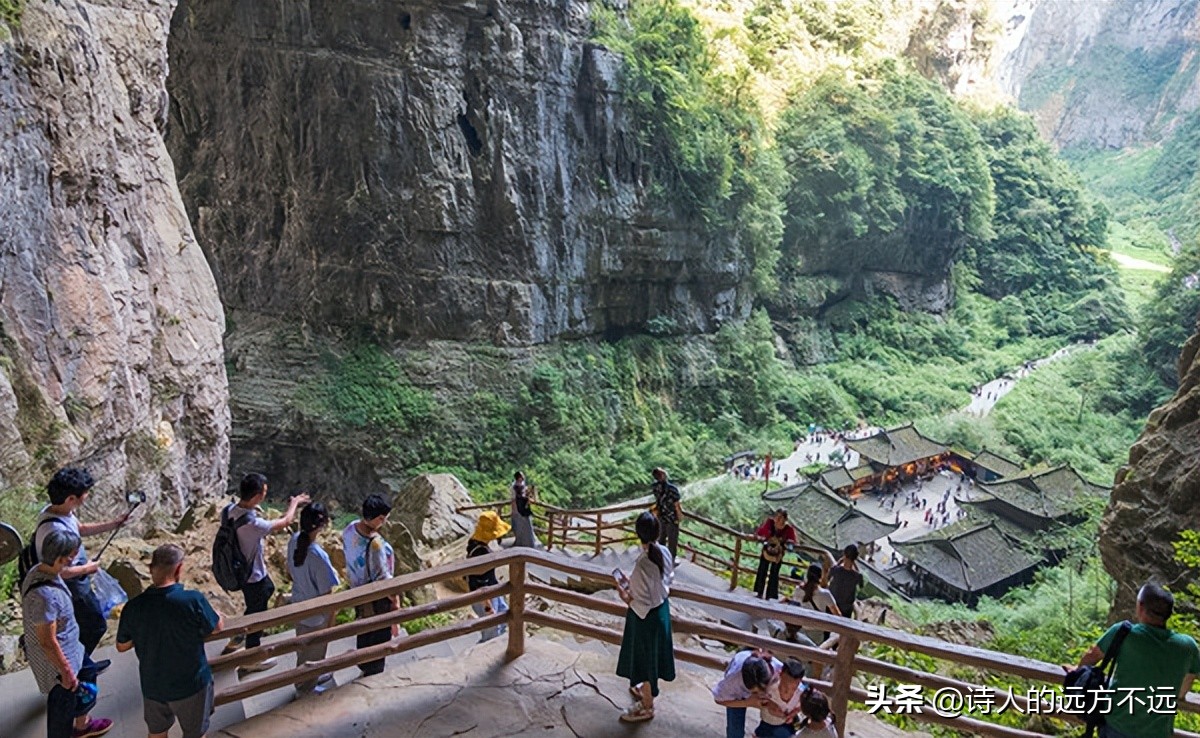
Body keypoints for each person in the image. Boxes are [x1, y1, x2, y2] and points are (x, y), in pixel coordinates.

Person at [1066, 583, 1200, 738]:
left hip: (1117, 726)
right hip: (1158, 732)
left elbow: (1091, 657)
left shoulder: (1125, 633)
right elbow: (1188, 681)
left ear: (1140, 607)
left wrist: (1078, 670)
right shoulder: (1187, 646)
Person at [116, 545, 223, 738]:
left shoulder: (133, 607)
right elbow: (216, 627)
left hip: (153, 685)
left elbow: (121, 646)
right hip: (191, 684)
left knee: (157, 733)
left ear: (150, 569)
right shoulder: (192, 600)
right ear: (179, 569)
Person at [34, 466, 133, 665]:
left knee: (80, 625)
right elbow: (59, 571)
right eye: (85, 493)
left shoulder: (57, 512)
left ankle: (79, 664)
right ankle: (75, 666)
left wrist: (114, 524)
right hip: (71, 586)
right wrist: (88, 568)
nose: (87, 496)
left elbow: (80, 529)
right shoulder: (53, 530)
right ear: (71, 498)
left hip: (78, 579)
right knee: (95, 625)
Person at [22, 527, 112, 738]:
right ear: (63, 558)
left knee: (88, 672)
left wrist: (85, 569)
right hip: (58, 663)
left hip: (74, 649)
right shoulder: (46, 597)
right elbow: (47, 641)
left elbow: (63, 572)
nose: (75, 558)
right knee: (61, 708)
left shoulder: (40, 569)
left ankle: (82, 725)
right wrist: (66, 673)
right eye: (73, 555)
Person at [220, 473, 309, 676]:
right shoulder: (254, 524)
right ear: (258, 496)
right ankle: (251, 657)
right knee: (258, 612)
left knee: (264, 593)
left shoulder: (227, 512)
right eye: (264, 492)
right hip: (252, 575)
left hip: (238, 570)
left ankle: (238, 636)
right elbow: (286, 521)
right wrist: (295, 502)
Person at [615, 512, 675, 723]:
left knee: (646, 660)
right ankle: (646, 694)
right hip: (662, 611)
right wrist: (633, 583)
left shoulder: (642, 563)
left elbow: (640, 602)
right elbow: (665, 580)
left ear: (637, 534)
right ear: (657, 531)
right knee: (654, 659)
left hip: (646, 618)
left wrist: (624, 594)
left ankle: (647, 706)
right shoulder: (664, 552)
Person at [286, 502, 340, 696]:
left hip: (298, 605)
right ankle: (305, 688)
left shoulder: (293, 541)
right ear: (321, 526)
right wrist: (331, 622)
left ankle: (312, 676)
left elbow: (290, 572)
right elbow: (327, 594)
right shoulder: (318, 555)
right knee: (313, 651)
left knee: (303, 649)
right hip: (316, 615)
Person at [343, 493, 399, 677]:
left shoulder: (350, 528)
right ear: (373, 518)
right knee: (379, 634)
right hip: (377, 597)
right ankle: (374, 671)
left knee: (364, 629)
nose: (383, 522)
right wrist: (395, 602)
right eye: (382, 519)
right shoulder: (375, 544)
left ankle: (364, 665)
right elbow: (384, 577)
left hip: (358, 593)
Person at [712, 649, 780, 738]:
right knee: (735, 731)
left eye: (764, 689)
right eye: (755, 692)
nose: (761, 694)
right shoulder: (734, 679)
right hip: (738, 695)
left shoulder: (778, 669)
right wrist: (748, 702)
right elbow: (719, 699)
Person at [466, 511, 511, 642]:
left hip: (492, 591)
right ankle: (484, 654)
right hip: (485, 596)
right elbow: (481, 583)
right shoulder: (481, 552)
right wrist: (488, 606)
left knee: (503, 615)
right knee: (491, 629)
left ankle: (497, 644)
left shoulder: (474, 543)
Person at [756, 658, 808, 737]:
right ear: (780, 674)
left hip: (785, 725)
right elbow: (758, 698)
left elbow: (802, 705)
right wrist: (769, 704)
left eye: (793, 688)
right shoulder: (770, 688)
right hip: (766, 723)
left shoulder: (801, 692)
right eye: (785, 687)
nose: (788, 691)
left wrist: (793, 714)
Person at [752, 509, 796, 600]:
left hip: (778, 553)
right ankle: (759, 592)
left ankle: (770, 595)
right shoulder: (769, 522)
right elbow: (760, 532)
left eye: (780, 517)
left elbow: (793, 541)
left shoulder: (789, 529)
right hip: (766, 550)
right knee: (762, 570)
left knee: (774, 574)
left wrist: (786, 543)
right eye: (776, 516)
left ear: (785, 519)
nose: (778, 519)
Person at [650, 468, 682, 562]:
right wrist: (679, 515)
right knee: (672, 539)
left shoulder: (655, 487)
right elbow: (676, 504)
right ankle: (671, 559)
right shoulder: (672, 489)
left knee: (661, 537)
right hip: (671, 517)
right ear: (663, 475)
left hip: (660, 515)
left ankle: (661, 557)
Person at [827, 545, 863, 619]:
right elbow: (861, 585)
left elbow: (828, 576)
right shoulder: (857, 576)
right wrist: (854, 564)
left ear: (844, 555)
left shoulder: (836, 570)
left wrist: (839, 561)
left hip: (831, 606)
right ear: (855, 558)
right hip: (846, 610)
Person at [510, 471, 537, 548]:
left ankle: (528, 542)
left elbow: (525, 494)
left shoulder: (523, 484)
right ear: (519, 477)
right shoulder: (514, 487)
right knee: (520, 526)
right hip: (519, 507)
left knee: (527, 525)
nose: (523, 477)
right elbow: (513, 499)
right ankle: (522, 542)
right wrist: (514, 510)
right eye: (522, 475)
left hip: (524, 506)